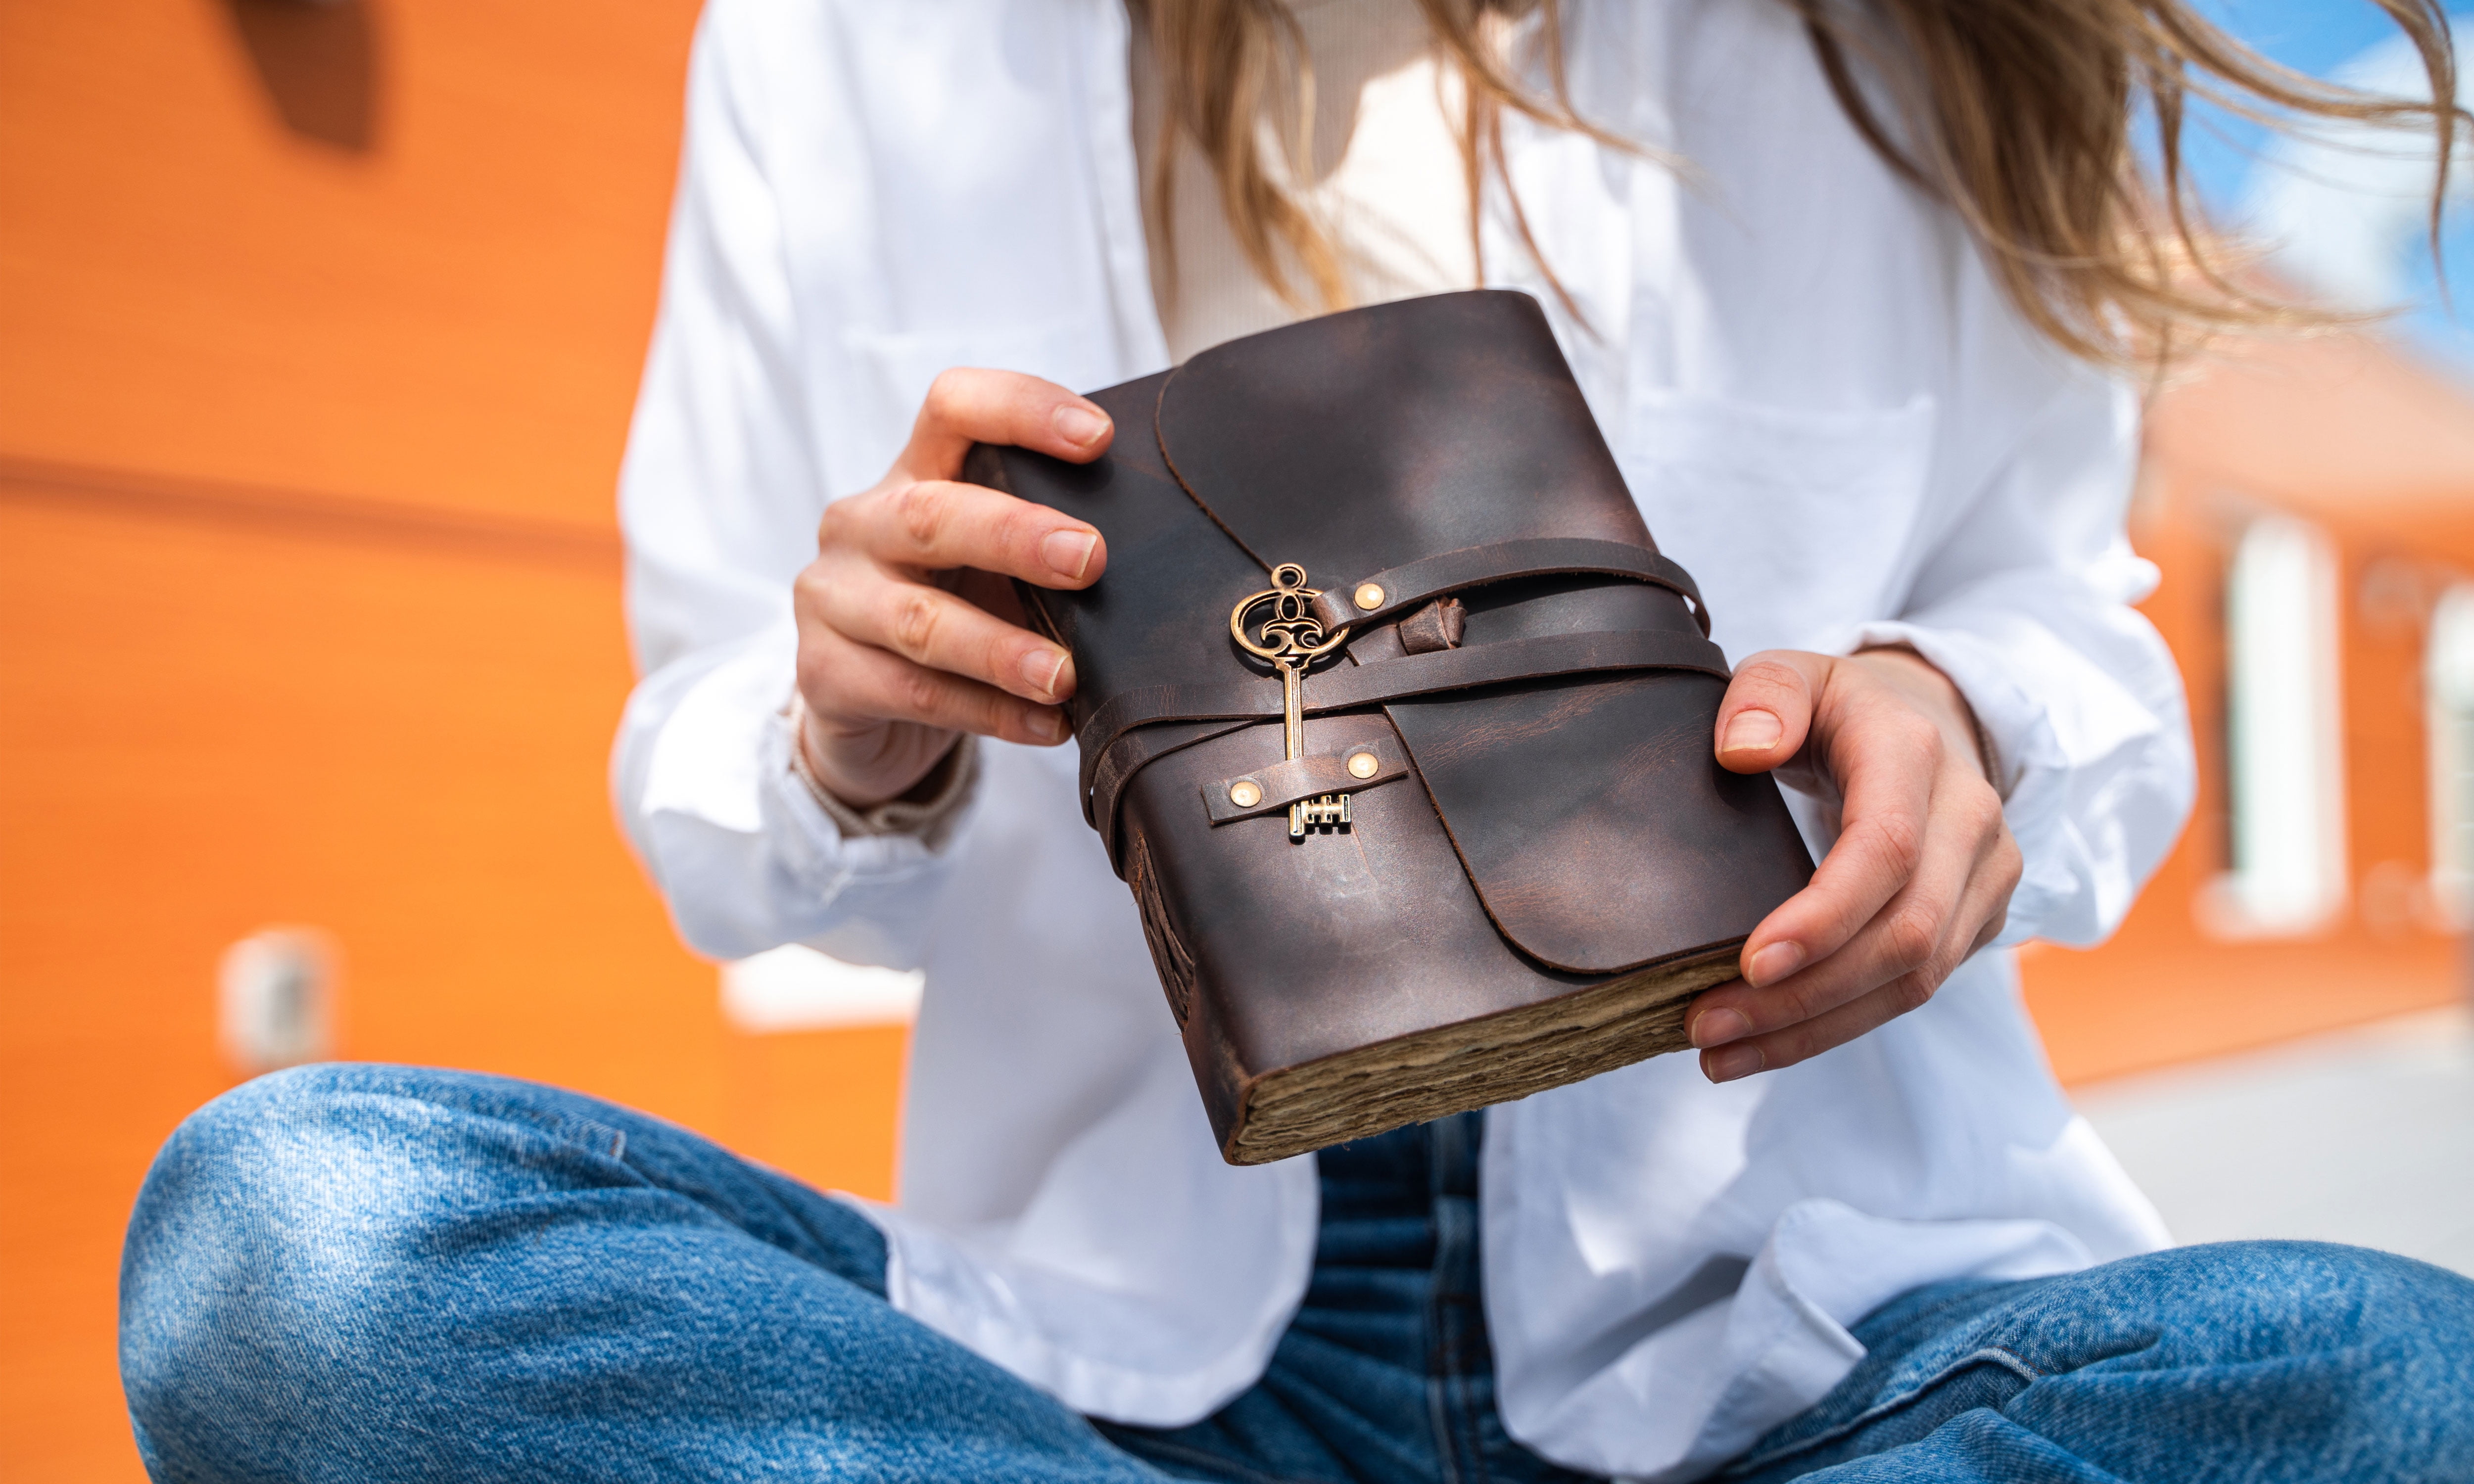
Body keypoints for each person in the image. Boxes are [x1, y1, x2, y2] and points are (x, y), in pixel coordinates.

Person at [121, 2, 2474, 1481]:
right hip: (1112, 1345)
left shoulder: (1915, 52)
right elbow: (703, 789)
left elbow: (2071, 623)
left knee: (2380, 1376)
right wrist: (846, 726)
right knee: (292, 1235)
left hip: (1783, 1328)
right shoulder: (856, 43)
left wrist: (1966, 715)